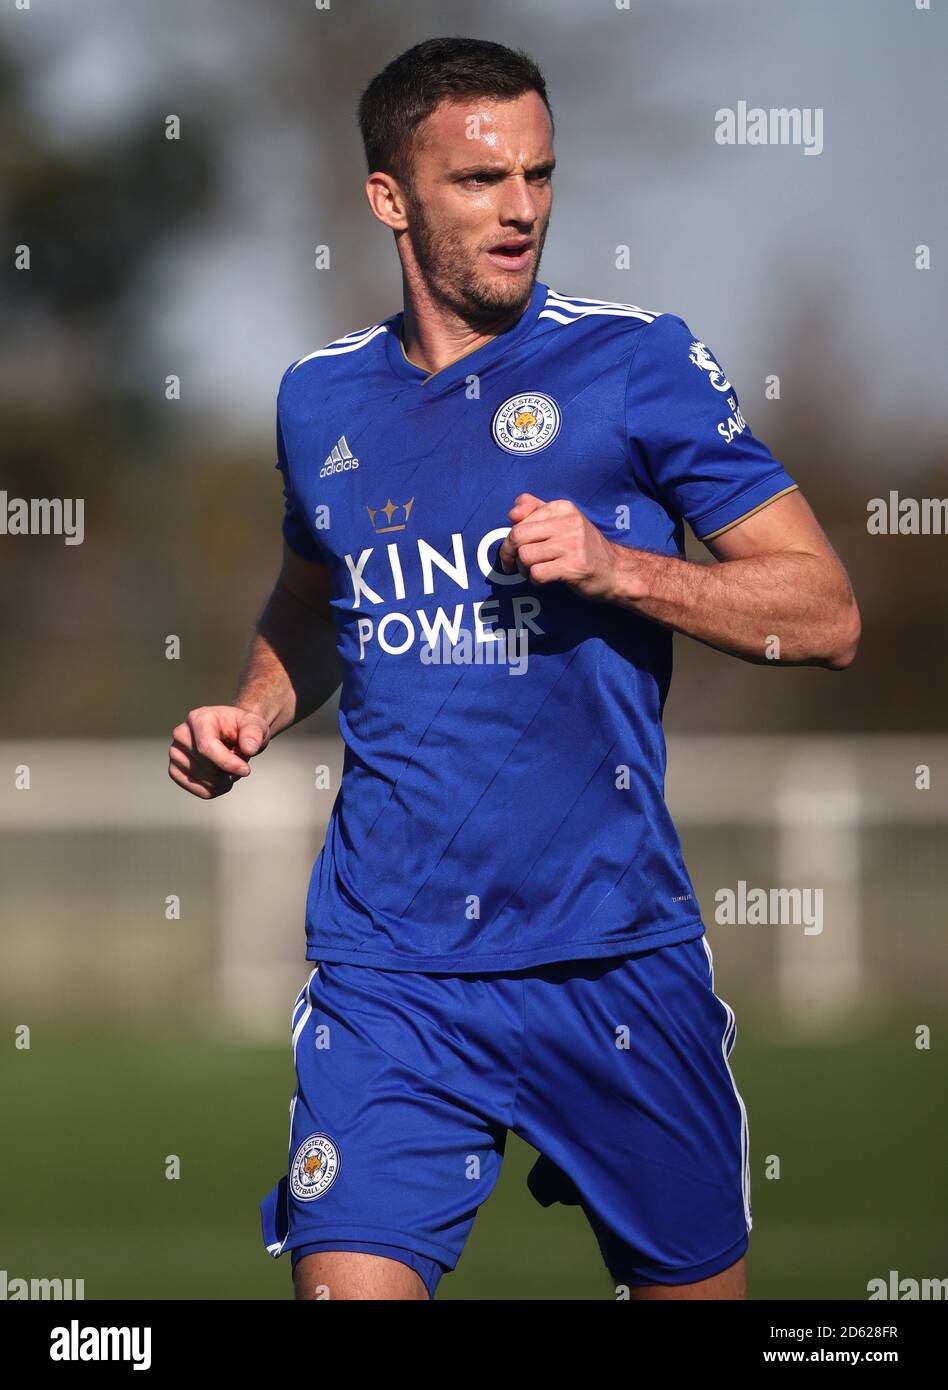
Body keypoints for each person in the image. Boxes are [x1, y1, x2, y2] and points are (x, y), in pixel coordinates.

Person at [168, 36, 860, 1300]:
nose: (523, 208)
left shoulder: (636, 363)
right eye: (481, 180)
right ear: (389, 199)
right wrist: (256, 708)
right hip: (391, 971)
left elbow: (824, 613)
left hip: (610, 956)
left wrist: (621, 568)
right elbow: (315, 594)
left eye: (539, 174)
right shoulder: (319, 400)